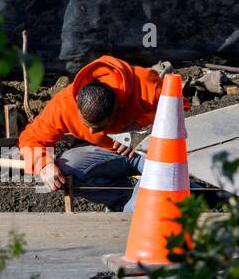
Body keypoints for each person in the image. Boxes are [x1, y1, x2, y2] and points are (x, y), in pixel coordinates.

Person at [18, 56, 179, 211]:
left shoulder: (144, 84)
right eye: (86, 124)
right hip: (107, 154)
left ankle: (192, 196)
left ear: (117, 110)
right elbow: (29, 138)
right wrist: (44, 164)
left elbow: (181, 108)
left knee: (143, 202)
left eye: (98, 128)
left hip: (148, 152)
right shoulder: (65, 104)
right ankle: (123, 201)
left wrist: (139, 126)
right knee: (67, 168)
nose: (91, 132)